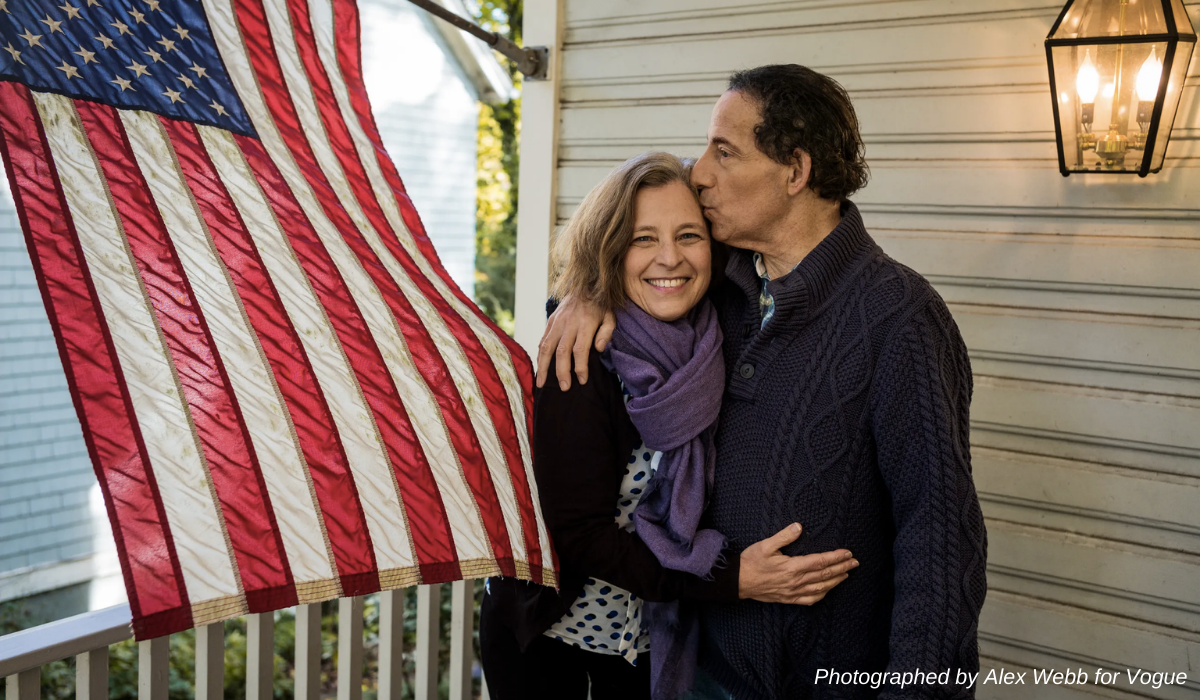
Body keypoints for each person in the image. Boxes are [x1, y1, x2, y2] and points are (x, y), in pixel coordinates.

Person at [538, 65, 988, 699]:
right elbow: (636, 260)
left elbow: (939, 534)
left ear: (795, 171)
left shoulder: (899, 317)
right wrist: (583, 296)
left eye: (725, 151)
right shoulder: (721, 295)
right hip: (690, 664)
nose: (700, 172)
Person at [480, 152, 859, 700]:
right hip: (553, 639)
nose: (669, 259)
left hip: (651, 639)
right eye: (641, 239)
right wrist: (732, 580)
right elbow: (580, 535)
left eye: (688, 235)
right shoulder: (584, 359)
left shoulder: (723, 333)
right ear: (610, 249)